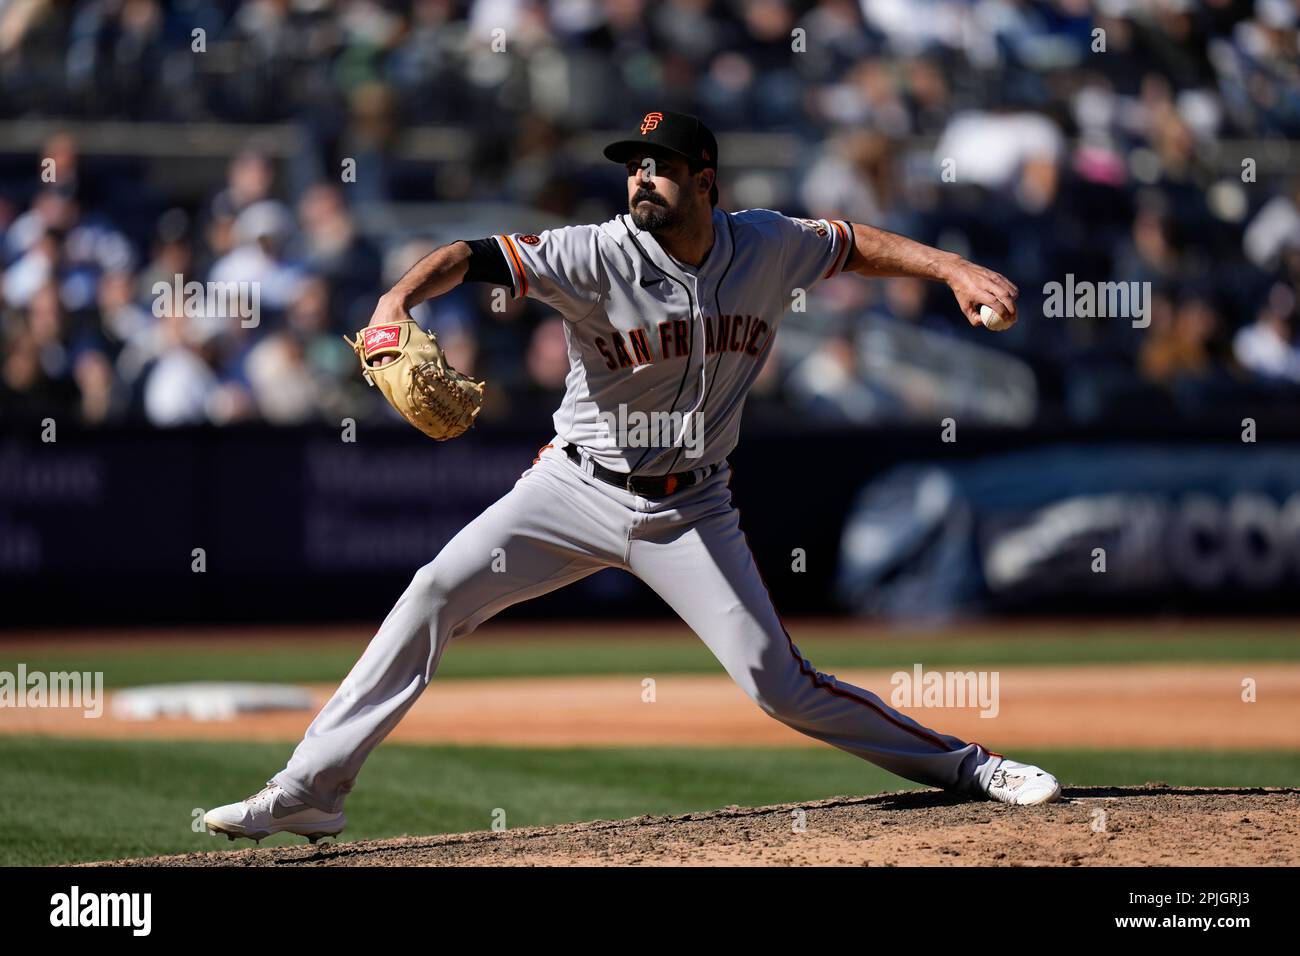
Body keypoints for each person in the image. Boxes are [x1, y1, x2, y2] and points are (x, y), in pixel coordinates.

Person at [204, 111, 1058, 844]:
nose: (641, 181)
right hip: (572, 490)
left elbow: (851, 244)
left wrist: (951, 267)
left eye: (660, 168)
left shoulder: (765, 244)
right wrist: (395, 305)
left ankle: (970, 768)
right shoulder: (591, 253)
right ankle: (309, 792)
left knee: (779, 685)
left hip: (693, 510)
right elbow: (471, 256)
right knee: (433, 590)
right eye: (633, 168)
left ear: (706, 182)